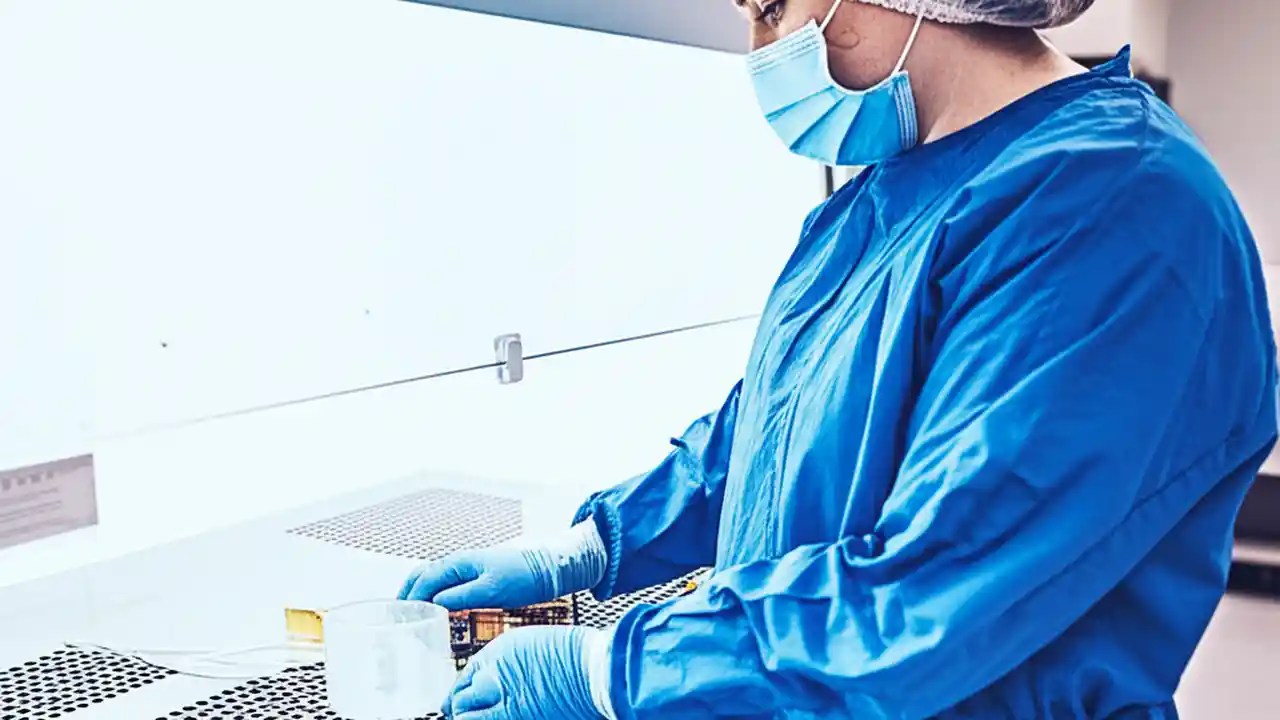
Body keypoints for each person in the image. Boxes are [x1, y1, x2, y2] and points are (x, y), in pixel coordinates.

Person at [399, 0, 1279, 717]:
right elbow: (767, 437)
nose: (756, 51)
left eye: (771, 11)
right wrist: (593, 546)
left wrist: (615, 671)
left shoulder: (1113, 209)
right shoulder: (877, 202)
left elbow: (932, 597)